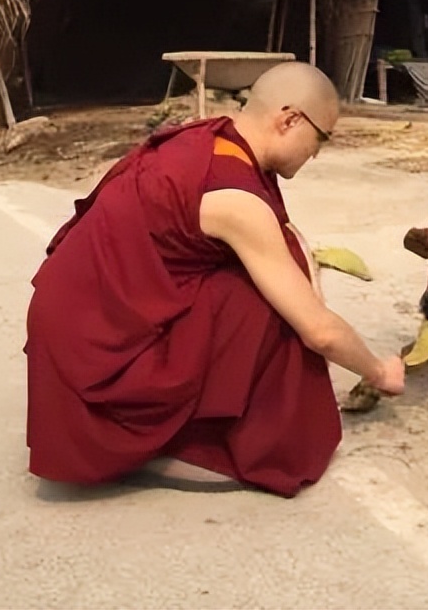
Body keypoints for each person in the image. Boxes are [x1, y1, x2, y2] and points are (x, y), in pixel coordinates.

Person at [25, 62, 405, 497]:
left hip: (78, 322)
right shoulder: (234, 196)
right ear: (289, 119)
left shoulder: (215, 138)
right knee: (266, 307)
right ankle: (195, 443)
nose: (316, 153)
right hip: (93, 352)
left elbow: (286, 236)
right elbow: (319, 331)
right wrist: (380, 372)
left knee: (278, 274)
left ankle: (186, 424)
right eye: (321, 138)